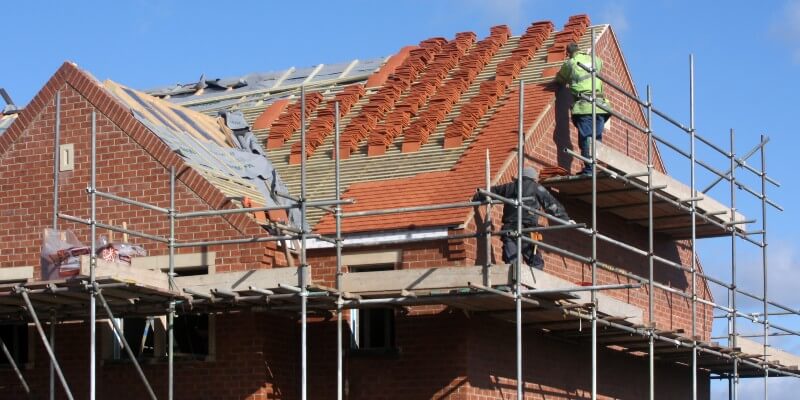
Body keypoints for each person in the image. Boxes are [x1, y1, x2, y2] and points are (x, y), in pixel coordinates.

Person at [474, 166, 570, 269]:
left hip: (510, 228)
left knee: (511, 260)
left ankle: (512, 283)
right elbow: (552, 204)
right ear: (533, 178)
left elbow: (492, 192)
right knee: (535, 261)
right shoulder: (536, 187)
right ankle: (533, 282)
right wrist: (565, 219)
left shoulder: (510, 187)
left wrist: (478, 196)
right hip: (528, 229)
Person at [556, 42, 612, 175]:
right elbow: (600, 64)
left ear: (568, 53)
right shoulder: (595, 60)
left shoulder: (570, 63)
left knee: (587, 137)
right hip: (600, 106)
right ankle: (594, 166)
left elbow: (559, 79)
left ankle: (589, 169)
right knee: (596, 138)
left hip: (585, 106)